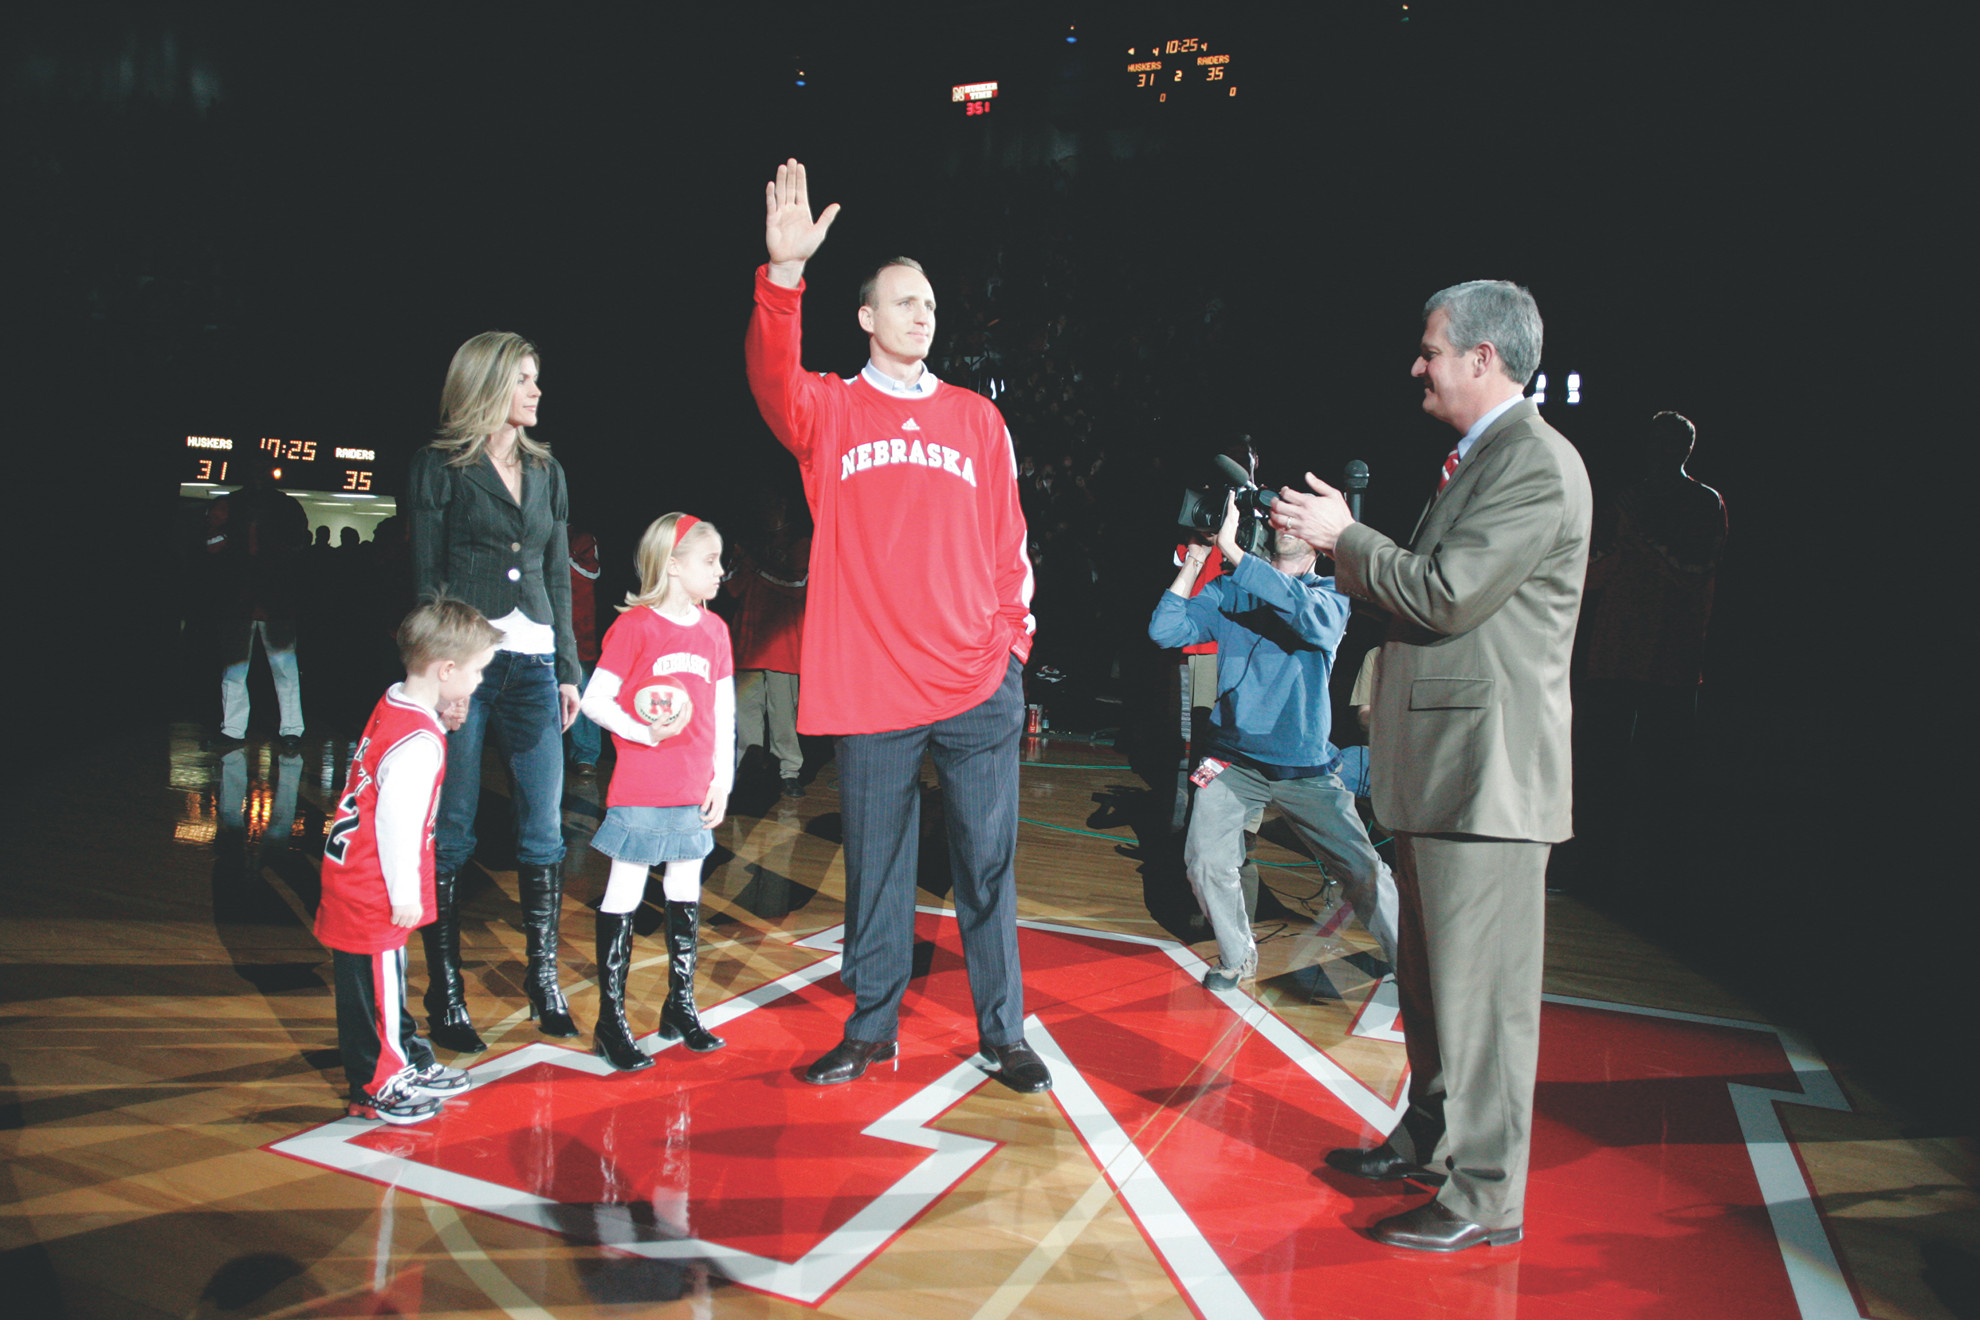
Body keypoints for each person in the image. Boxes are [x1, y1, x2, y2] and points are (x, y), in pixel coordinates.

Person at [1272, 280, 1591, 1252]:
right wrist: (1341, 552)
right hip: (1447, 769)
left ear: (1484, 359)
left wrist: (1346, 540)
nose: (1419, 365)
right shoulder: (1484, 459)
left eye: (1432, 349)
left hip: (1489, 781)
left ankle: (1486, 1195)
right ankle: (1432, 1134)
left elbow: (1446, 595)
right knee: (1433, 981)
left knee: (1484, 1001)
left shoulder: (1535, 465)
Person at [744, 159, 1049, 1093]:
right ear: (867, 318)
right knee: (875, 866)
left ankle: (1004, 1033)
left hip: (975, 681)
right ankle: (871, 1028)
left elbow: (1011, 544)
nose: (923, 314)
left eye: (929, 303)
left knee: (986, 869)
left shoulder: (977, 419)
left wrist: (1010, 644)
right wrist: (784, 278)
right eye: (903, 302)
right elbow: (770, 379)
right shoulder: (830, 409)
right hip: (874, 685)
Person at [408, 331, 584, 1054]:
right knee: (453, 832)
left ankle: (543, 979)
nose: (537, 391)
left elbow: (556, 573)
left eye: (538, 378)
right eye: (523, 380)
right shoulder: (438, 468)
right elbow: (426, 583)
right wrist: (435, 680)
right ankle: (444, 990)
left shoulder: (547, 470)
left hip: (536, 665)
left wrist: (570, 667)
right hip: (465, 671)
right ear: (485, 385)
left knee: (543, 828)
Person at [1150, 496, 1399, 990]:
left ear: (1317, 545)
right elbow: (1166, 630)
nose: (1284, 525)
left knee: (1362, 869)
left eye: (1297, 521)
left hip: (1303, 768)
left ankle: (1411, 962)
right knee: (1204, 859)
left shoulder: (1331, 592)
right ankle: (1237, 956)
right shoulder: (1231, 589)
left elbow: (1310, 618)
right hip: (1233, 759)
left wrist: (1237, 558)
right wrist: (1197, 562)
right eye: (1280, 518)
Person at [314, 596, 502, 1123]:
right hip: (373, 886)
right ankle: (378, 1086)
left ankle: (405, 1060)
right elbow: (396, 822)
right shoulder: (418, 741)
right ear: (446, 670)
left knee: (384, 984)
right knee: (375, 990)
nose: (480, 681)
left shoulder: (396, 701)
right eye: (476, 671)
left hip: (358, 876)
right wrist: (403, 893)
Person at [577, 513, 736, 1071]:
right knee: (624, 888)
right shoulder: (635, 627)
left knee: (686, 888)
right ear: (672, 564)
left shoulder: (715, 631)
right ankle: (610, 1021)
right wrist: (643, 732)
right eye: (709, 560)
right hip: (643, 782)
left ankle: (680, 1006)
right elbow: (595, 701)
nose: (720, 571)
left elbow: (724, 710)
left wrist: (723, 778)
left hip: (694, 784)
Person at [205, 451, 311, 750]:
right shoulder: (282, 506)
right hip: (255, 599)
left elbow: (213, 548)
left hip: (260, 598)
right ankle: (282, 729)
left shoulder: (237, 504)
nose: (258, 474)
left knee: (254, 669)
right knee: (261, 669)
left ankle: (240, 730)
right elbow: (300, 546)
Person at [725, 498, 809, 798]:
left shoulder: (799, 543)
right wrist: (739, 563)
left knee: (783, 713)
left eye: (772, 502)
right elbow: (732, 588)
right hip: (748, 641)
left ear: (784, 506)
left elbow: (797, 584)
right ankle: (747, 767)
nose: (767, 509)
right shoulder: (751, 543)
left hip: (781, 644)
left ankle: (788, 771)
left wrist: (755, 565)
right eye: (763, 503)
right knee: (746, 711)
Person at [565, 527, 606, 781]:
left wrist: (557, 552)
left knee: (582, 689)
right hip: (544, 629)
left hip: (578, 632)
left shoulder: (582, 537)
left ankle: (585, 755)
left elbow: (591, 572)